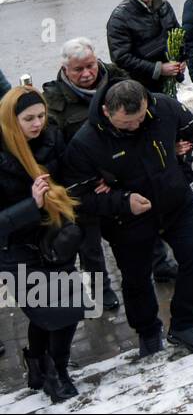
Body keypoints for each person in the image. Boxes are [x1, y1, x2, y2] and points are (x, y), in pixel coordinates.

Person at [61, 78, 193, 355]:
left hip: (176, 205)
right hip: (128, 221)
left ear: (146, 102)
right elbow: (76, 197)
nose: (136, 126)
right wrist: (121, 201)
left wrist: (186, 174)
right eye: (126, 124)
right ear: (107, 112)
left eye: (141, 118)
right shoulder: (85, 143)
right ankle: (147, 331)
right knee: (136, 279)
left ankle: (184, 323)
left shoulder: (164, 107)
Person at [0, 88, 86, 402]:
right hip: (14, 250)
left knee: (63, 309)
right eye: (28, 119)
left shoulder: (51, 138)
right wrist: (31, 204)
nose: (38, 123)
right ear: (11, 119)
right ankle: (56, 374)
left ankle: (38, 364)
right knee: (57, 312)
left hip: (52, 240)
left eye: (41, 116)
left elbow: (67, 177)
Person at [42, 38, 141, 310]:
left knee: (139, 223)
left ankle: (160, 264)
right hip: (86, 186)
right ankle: (101, 289)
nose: (86, 74)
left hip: (122, 174)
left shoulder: (117, 78)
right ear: (65, 69)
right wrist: (90, 180)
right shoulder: (54, 102)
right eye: (78, 70)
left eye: (90, 66)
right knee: (90, 246)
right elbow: (58, 154)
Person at [107, 0, 185, 97]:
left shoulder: (164, 7)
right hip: (139, 87)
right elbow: (121, 58)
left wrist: (182, 59)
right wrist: (158, 69)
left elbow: (177, 35)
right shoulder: (119, 18)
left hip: (167, 82)